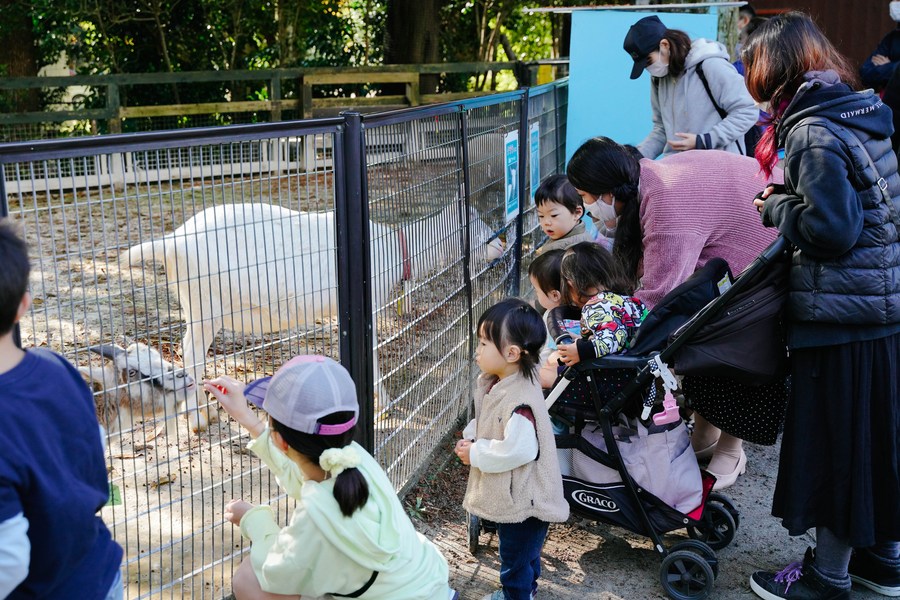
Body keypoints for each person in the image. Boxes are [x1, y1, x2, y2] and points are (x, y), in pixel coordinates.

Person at [742, 12, 900, 599]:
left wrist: (776, 205)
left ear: (773, 68)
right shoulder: (859, 112)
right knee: (873, 441)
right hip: (879, 310)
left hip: (839, 317)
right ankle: (884, 563)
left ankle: (827, 579)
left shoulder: (811, 130)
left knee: (839, 445)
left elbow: (832, 228)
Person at [566, 137, 779, 490]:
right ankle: (705, 436)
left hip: (766, 240)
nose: (587, 207)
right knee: (692, 326)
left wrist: (611, 335)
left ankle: (731, 449)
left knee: (721, 338)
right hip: (754, 218)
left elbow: (658, 299)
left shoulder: (666, 207)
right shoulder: (646, 179)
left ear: (607, 193)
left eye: (585, 197)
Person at [204, 355, 456, 600]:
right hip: (430, 585)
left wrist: (254, 520)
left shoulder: (315, 517)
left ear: (280, 440)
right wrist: (249, 420)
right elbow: (300, 472)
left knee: (248, 577)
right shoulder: (353, 458)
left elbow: (276, 571)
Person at [0, 220, 124, 599]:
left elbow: (9, 558)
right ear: (24, 303)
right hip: (100, 573)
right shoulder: (58, 367)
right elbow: (93, 441)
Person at [454, 298, 569, 600]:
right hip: (524, 495)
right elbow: (495, 420)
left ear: (512, 353)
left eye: (482, 343)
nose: (477, 350)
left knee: (514, 560)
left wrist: (476, 454)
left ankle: (516, 596)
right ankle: (525, 592)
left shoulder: (520, 401)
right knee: (526, 556)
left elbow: (518, 450)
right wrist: (474, 435)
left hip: (525, 503)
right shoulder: (509, 379)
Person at [623, 14, 758, 159]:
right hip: (680, 170)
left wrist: (705, 140)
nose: (648, 68)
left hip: (720, 168)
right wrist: (635, 157)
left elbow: (747, 111)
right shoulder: (658, 78)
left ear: (664, 45)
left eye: (648, 60)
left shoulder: (709, 65)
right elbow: (662, 129)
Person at [554, 242, 647, 368]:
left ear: (570, 284)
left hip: (612, 376)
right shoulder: (629, 301)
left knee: (547, 371)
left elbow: (610, 339)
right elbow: (617, 333)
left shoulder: (595, 306)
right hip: (637, 370)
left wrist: (580, 351)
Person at [528, 249, 569, 388]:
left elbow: (547, 355)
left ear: (555, 295)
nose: (536, 294)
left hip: (553, 378)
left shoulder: (554, 319)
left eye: (537, 290)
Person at [862, 2, 900, 150]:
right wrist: (894, 67)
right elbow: (866, 72)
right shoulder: (892, 38)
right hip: (890, 117)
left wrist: (887, 66)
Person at [533, 174, 596, 255]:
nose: (546, 222)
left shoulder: (567, 252)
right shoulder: (582, 236)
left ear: (577, 213)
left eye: (554, 215)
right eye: (541, 216)